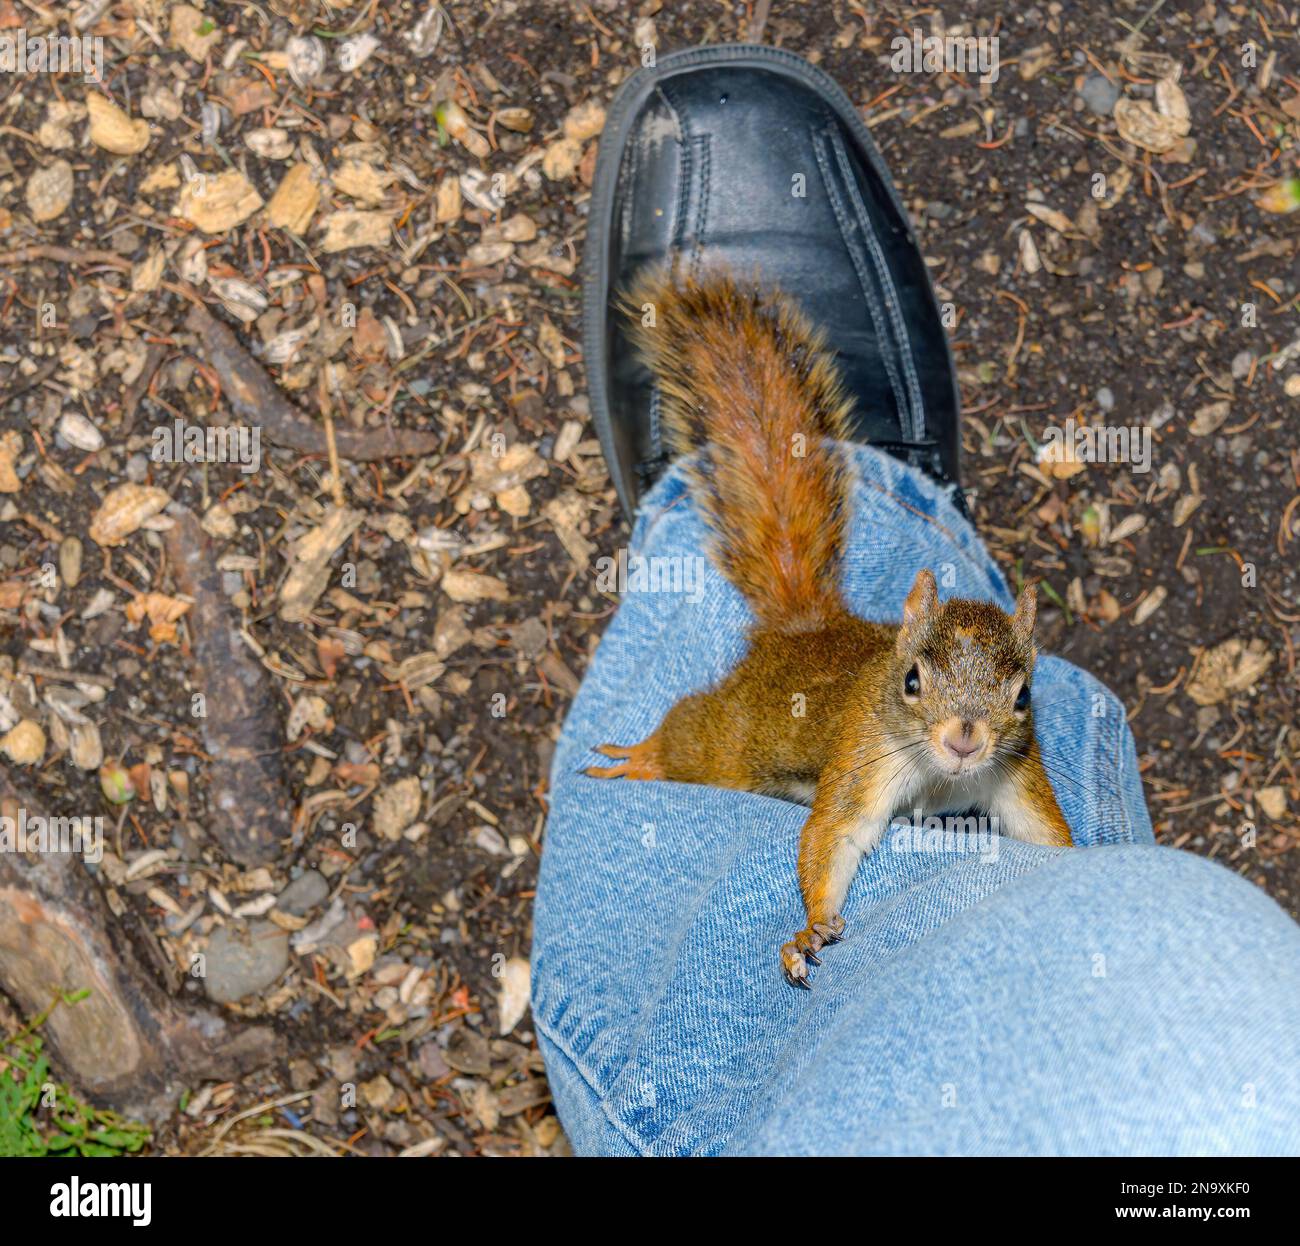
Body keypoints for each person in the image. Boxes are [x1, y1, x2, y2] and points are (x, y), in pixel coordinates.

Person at [530, 46, 1300, 1156]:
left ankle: (791, 521)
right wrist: (823, 912)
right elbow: (841, 827)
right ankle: (866, 502)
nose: (965, 734)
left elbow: (1042, 835)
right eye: (938, 697)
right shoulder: (888, 723)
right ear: (910, 649)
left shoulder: (1004, 752)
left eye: (999, 709)